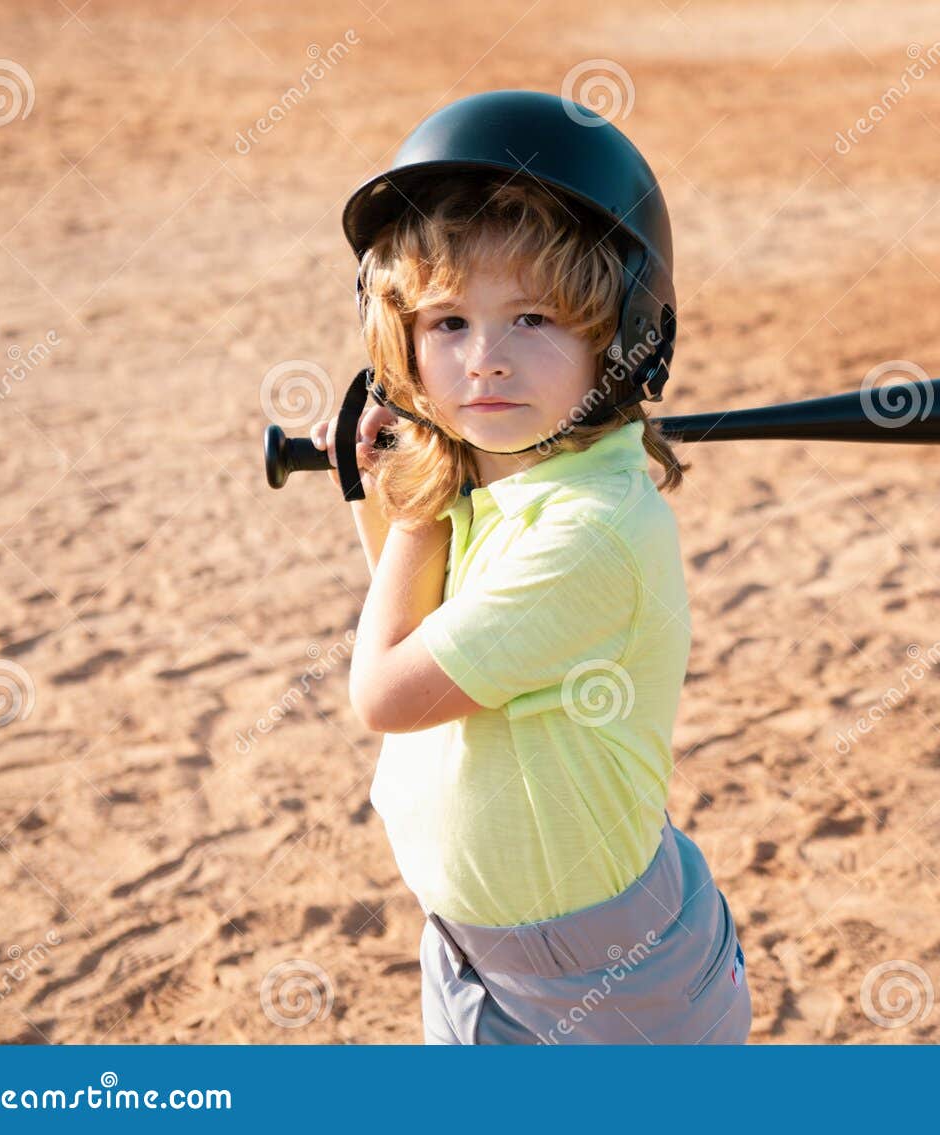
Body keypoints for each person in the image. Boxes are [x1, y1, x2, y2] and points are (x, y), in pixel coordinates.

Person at [308, 90, 750, 1045]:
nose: (486, 363)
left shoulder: (587, 532)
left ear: (622, 334)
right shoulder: (513, 477)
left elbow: (387, 688)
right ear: (399, 343)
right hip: (469, 956)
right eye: (449, 324)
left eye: (535, 320)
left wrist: (422, 506)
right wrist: (382, 485)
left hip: (609, 984)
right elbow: (419, 613)